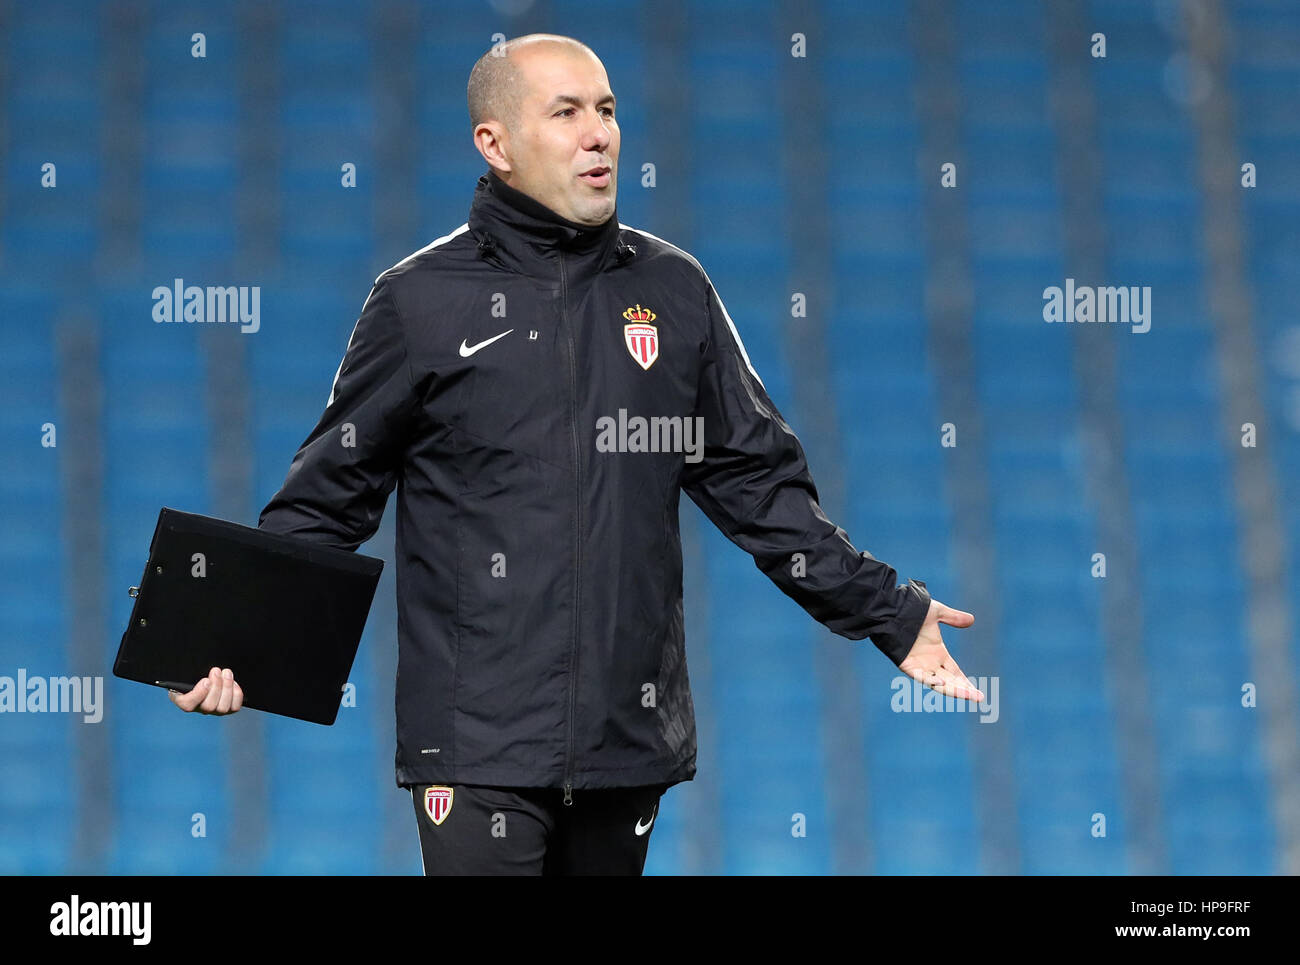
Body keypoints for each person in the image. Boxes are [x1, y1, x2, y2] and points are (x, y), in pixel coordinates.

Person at [170, 33, 983, 875]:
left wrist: (889, 610)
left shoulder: (674, 291)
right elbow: (327, 497)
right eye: (567, 112)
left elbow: (760, 488)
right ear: (496, 144)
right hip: (476, 748)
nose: (599, 133)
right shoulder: (418, 301)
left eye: (607, 110)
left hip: (625, 742)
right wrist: (233, 642)